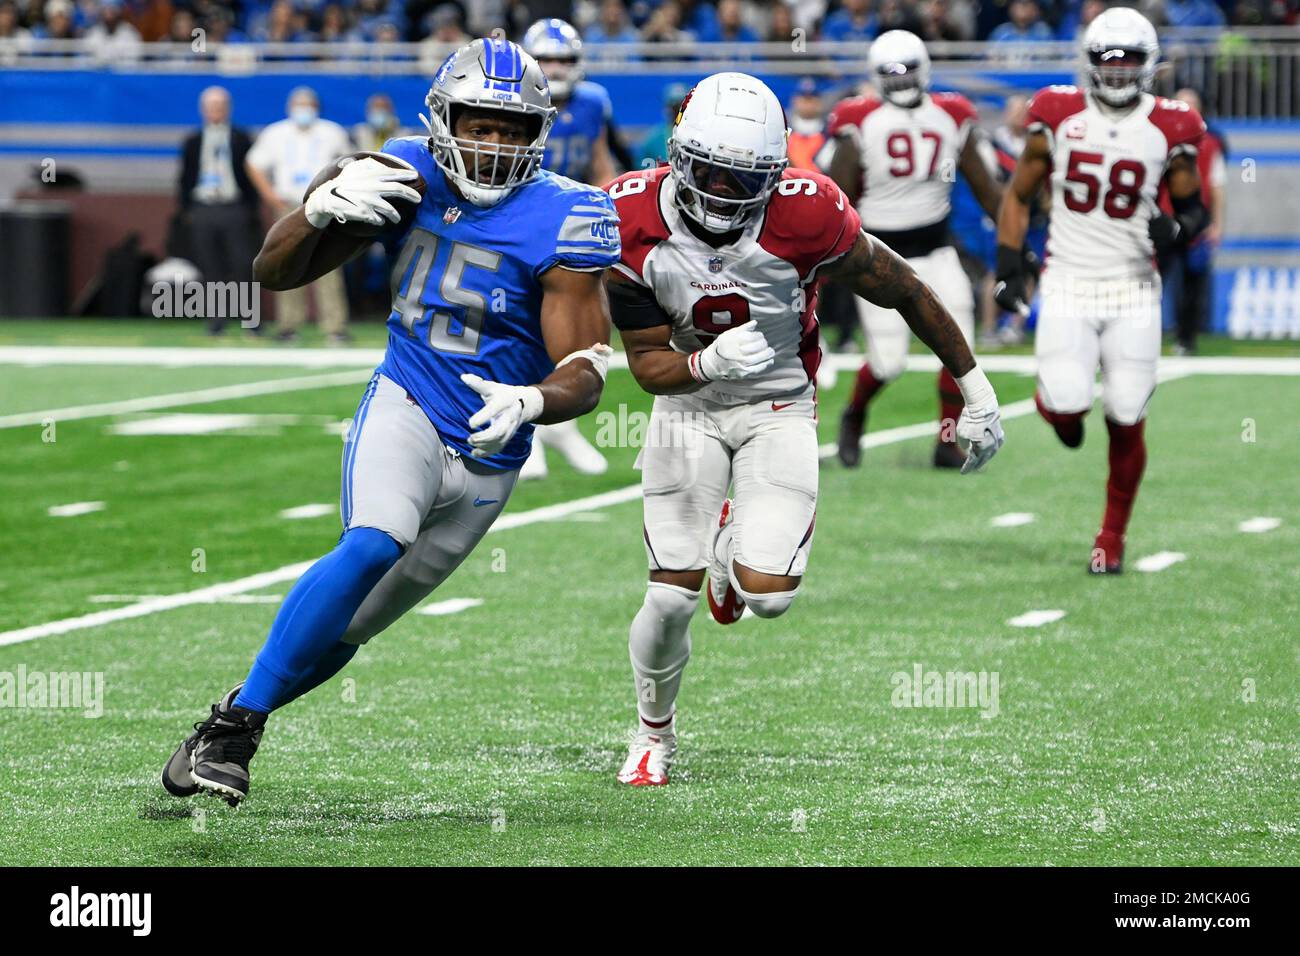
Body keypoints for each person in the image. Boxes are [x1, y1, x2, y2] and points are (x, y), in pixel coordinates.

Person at [162, 38, 621, 807]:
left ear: (539, 133)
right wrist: (314, 211)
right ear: (445, 119)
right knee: (373, 540)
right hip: (407, 400)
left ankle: (224, 728)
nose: (493, 142)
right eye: (480, 122)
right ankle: (235, 729)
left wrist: (535, 401)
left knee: (352, 628)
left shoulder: (568, 213)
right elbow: (272, 273)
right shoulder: (401, 169)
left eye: (512, 129)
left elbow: (585, 370)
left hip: (492, 447)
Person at [604, 72, 1005, 786]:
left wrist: (973, 386)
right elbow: (645, 365)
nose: (724, 191)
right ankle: (651, 734)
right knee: (668, 596)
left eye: (743, 176)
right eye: (710, 172)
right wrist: (703, 363)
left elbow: (903, 286)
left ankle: (732, 550)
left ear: (774, 173)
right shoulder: (629, 216)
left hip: (778, 404)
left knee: (770, 597)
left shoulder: (809, 212)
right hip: (686, 406)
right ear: (676, 155)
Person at [995, 7, 1207, 573]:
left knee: (1127, 409)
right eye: (1107, 60)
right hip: (1067, 281)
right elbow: (1018, 195)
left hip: (1134, 287)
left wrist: (1179, 229)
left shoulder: (1171, 125)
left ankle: (1111, 536)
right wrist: (1009, 266)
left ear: (1149, 64)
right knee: (1067, 406)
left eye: (1128, 60)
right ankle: (1059, 410)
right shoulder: (1057, 114)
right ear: (1089, 64)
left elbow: (1193, 208)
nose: (1116, 71)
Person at [826, 30, 1006, 469]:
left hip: (937, 247)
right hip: (878, 253)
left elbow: (985, 185)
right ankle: (855, 415)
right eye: (892, 71)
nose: (901, 78)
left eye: (907, 69)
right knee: (888, 363)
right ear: (876, 75)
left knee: (957, 346)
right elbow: (838, 193)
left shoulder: (951, 114)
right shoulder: (859, 120)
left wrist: (1013, 237)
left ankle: (947, 439)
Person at [520, 16, 616, 478]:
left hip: (575, 224)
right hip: (526, 221)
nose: (556, 68)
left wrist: (608, 203)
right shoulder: (517, 102)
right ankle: (530, 429)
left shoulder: (594, 101)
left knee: (581, 330)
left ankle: (556, 424)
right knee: (524, 323)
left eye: (564, 60)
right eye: (546, 59)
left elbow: (600, 160)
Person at [245, 87, 353, 344]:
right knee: (287, 262)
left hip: (325, 203)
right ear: (290, 107)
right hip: (289, 204)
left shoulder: (332, 132)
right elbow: (253, 163)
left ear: (316, 106)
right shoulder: (276, 133)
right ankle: (288, 325)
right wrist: (269, 195)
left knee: (328, 262)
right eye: (298, 104)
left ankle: (335, 326)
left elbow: (352, 163)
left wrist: (340, 193)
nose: (303, 109)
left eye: (308, 104)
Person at [177, 86, 261, 334]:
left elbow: (250, 175)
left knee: (244, 263)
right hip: (203, 206)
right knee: (210, 265)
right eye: (211, 106)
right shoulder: (193, 141)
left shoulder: (241, 137)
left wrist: (249, 209)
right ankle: (216, 320)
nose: (216, 111)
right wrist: (187, 210)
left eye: (220, 106)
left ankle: (251, 320)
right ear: (203, 110)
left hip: (233, 205)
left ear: (228, 109)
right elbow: (184, 177)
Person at [1159, 87, 1225, 355]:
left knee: (1192, 283)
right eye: (1181, 105)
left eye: (1192, 106)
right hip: (1160, 220)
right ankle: (1137, 335)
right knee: (1148, 280)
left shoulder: (1211, 143)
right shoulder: (1154, 138)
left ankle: (1186, 339)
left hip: (1196, 222)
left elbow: (1218, 186)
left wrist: (1217, 224)